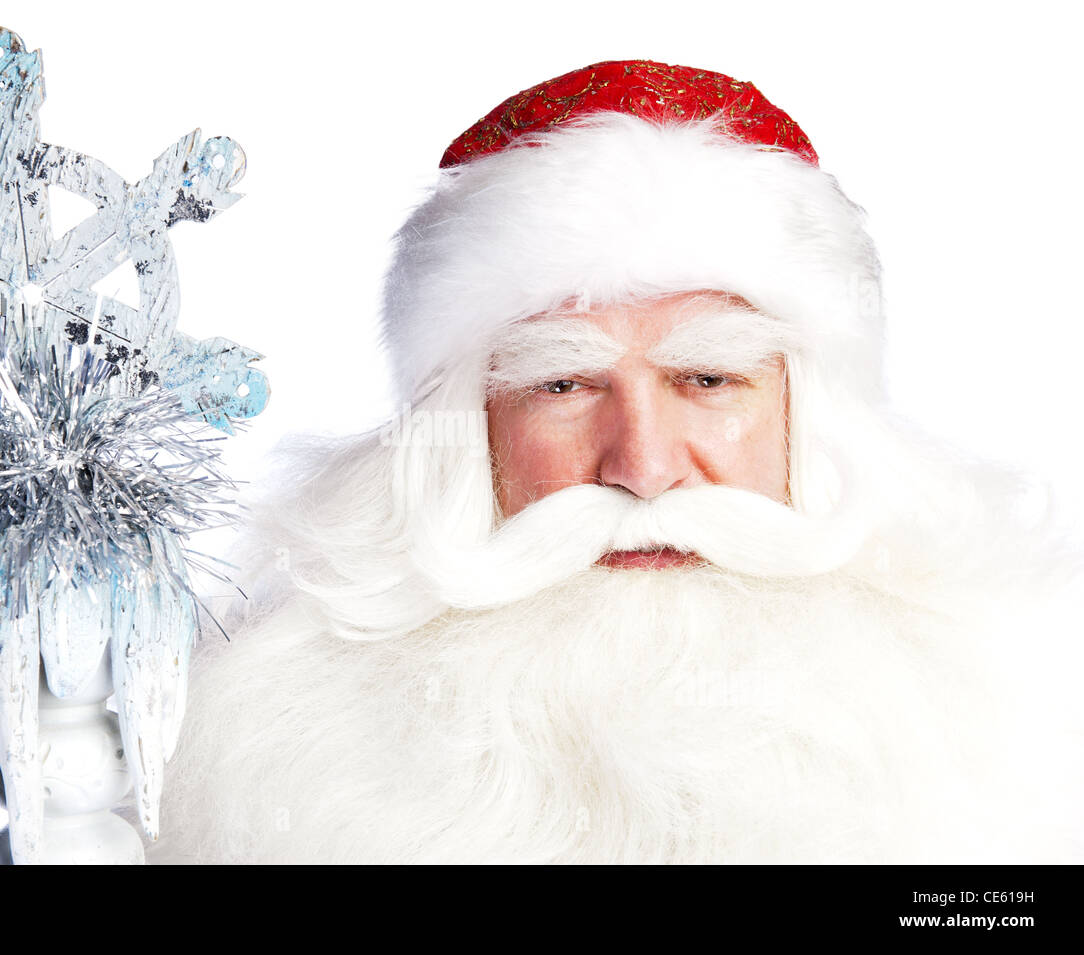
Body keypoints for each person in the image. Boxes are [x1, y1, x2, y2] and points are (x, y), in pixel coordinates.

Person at [152, 60, 1082, 863]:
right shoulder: (254, 764)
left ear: (815, 420)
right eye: (562, 386)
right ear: (464, 436)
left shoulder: (1022, 732)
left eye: (708, 378)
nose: (641, 468)